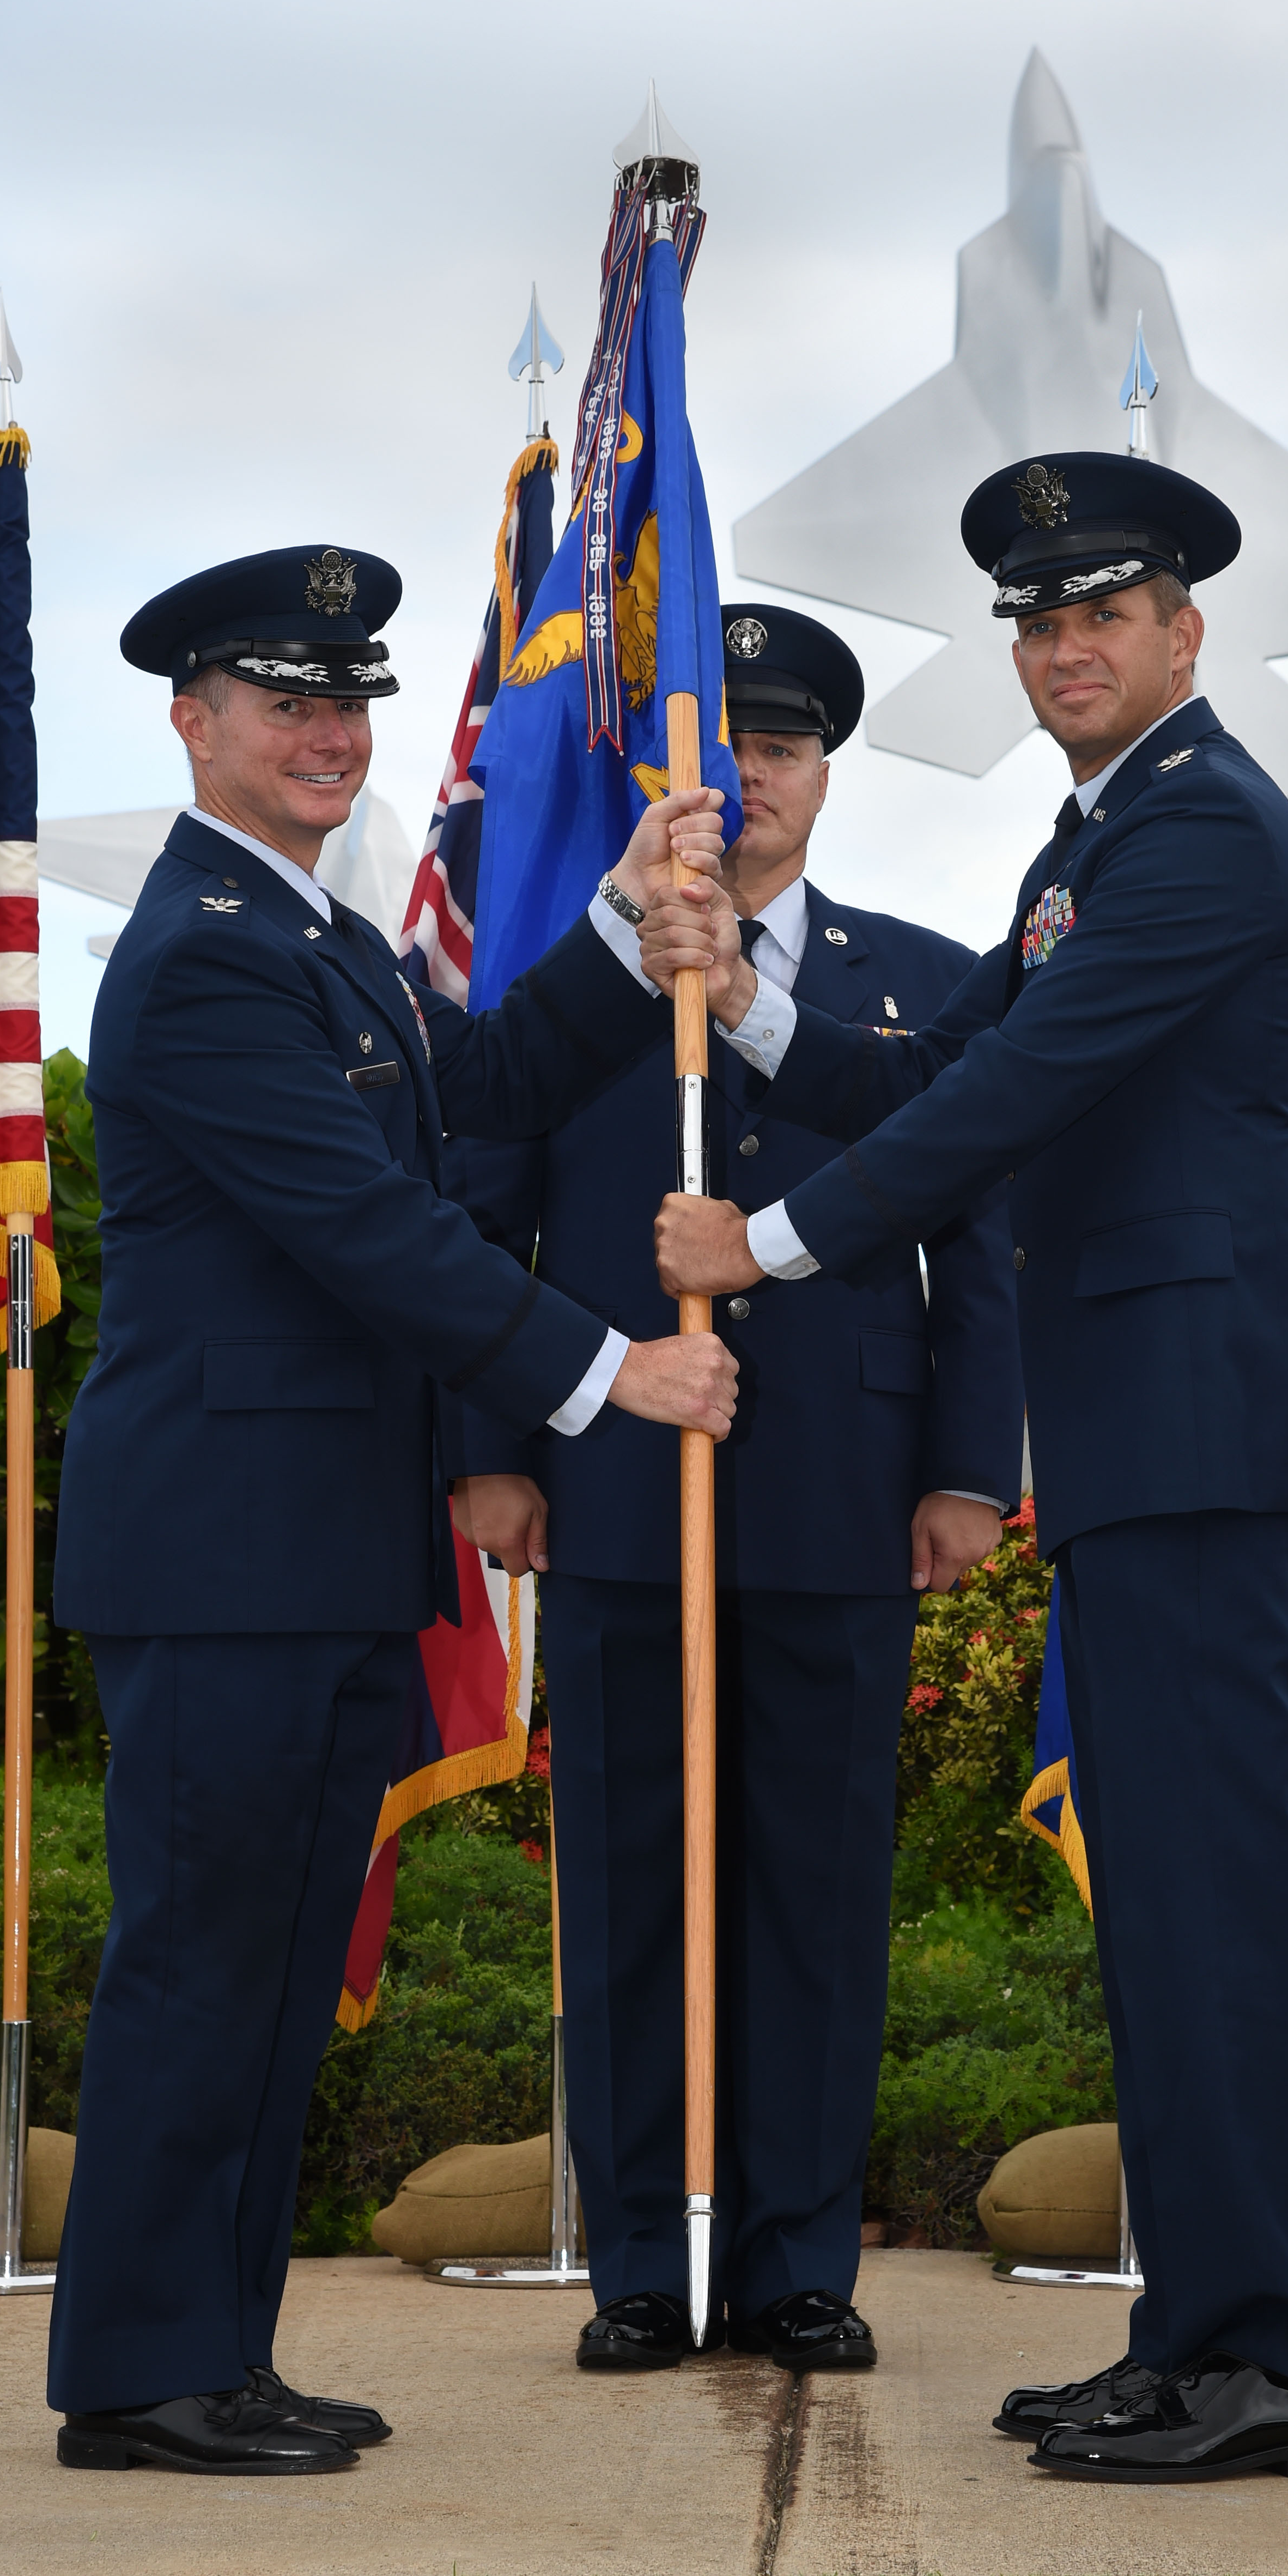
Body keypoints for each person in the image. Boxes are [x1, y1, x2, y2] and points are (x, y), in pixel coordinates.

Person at [644, 457, 1288, 2485]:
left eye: (1103, 613)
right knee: (1162, 1902)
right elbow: (935, 1060)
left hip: (1207, 1421)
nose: (1066, 647)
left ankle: (1272, 2369)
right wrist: (735, 974)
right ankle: (1203, 2332)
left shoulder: (1208, 834)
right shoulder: (1097, 844)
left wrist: (768, 1244)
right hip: (1155, 1427)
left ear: (1183, 631)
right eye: (1037, 624)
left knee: (1209, 1900)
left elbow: (1023, 1096)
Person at [46, 544, 736, 2478]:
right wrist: (612, 1374)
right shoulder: (198, 956)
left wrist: (623, 927)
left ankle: (215, 2354)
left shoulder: (321, 940)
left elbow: (477, 1087)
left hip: (319, 1544)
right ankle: (136, 2376)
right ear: (193, 723)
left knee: (269, 1976)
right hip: (224, 1550)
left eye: (349, 702)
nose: (329, 734)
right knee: (204, 1964)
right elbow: (370, 1231)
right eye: (285, 702)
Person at [446, 605, 1025, 2374]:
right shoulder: (585, 977)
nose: (749, 781)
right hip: (617, 1472)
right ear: (666, 788)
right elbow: (485, 1212)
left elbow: (977, 1244)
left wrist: (966, 1475)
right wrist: (487, 1449)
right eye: (719, 755)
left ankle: (788, 2265)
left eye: (779, 749)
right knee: (629, 1877)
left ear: (825, 776)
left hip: (850, 1482)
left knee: (818, 1886)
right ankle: (642, 2262)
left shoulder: (913, 978)